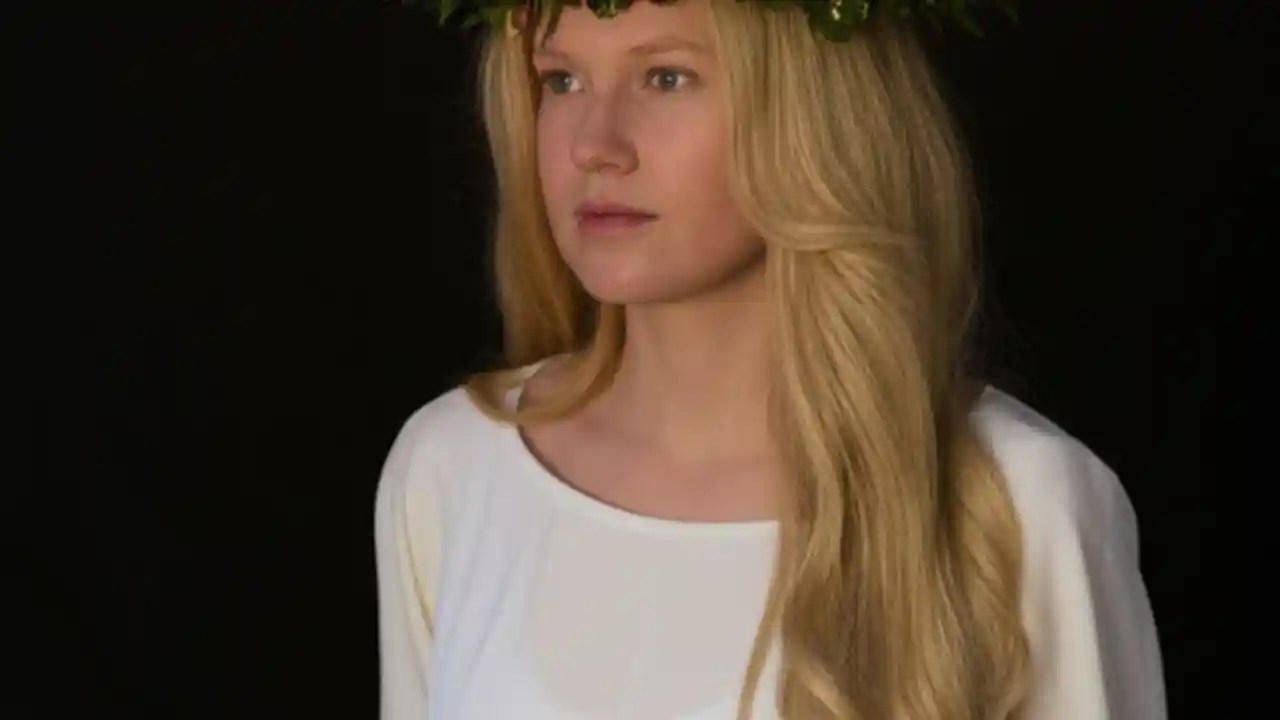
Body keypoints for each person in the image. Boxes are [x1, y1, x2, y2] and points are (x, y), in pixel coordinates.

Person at [374, 1, 1167, 718]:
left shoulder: (1015, 506)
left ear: (815, 111)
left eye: (666, 77)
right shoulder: (454, 468)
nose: (595, 145)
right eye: (562, 80)